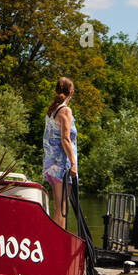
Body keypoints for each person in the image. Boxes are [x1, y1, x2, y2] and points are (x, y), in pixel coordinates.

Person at [43, 76, 77, 230]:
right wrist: (74, 163)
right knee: (62, 208)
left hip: (51, 164)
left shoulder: (52, 110)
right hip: (61, 165)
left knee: (58, 207)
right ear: (71, 92)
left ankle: (55, 238)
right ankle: (59, 243)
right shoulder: (65, 111)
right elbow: (65, 139)